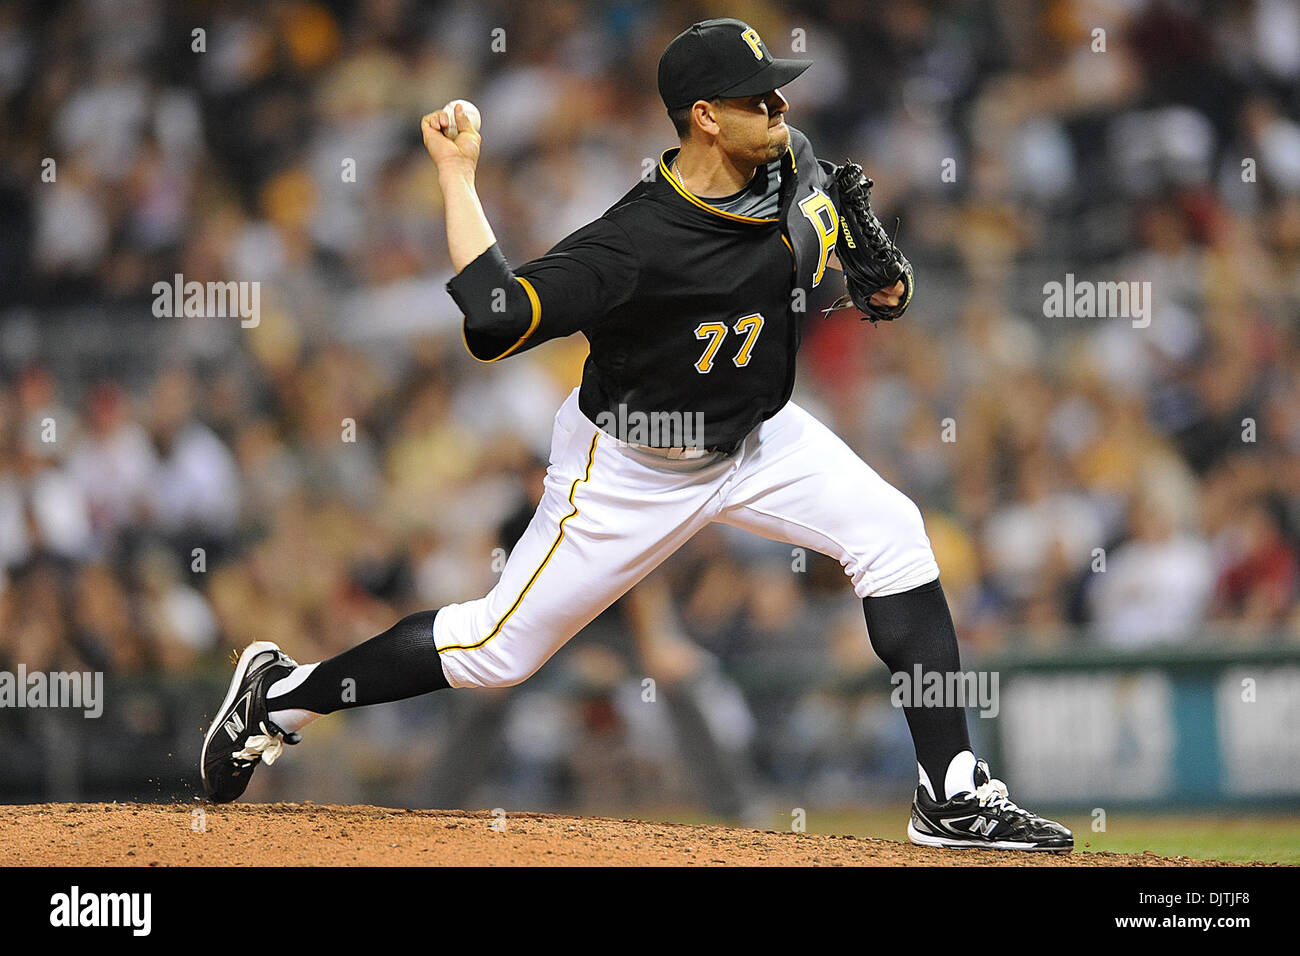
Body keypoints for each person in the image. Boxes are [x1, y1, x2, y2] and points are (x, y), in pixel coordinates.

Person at [201, 18, 1072, 851]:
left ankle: (951, 792)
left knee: (893, 533)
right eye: (760, 99)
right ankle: (278, 697)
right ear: (706, 117)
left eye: (778, 95)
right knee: (495, 650)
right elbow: (494, 320)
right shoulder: (635, 241)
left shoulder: (795, 169)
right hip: (630, 465)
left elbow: (861, 289)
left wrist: (879, 281)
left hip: (759, 438)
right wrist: (459, 180)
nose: (782, 110)